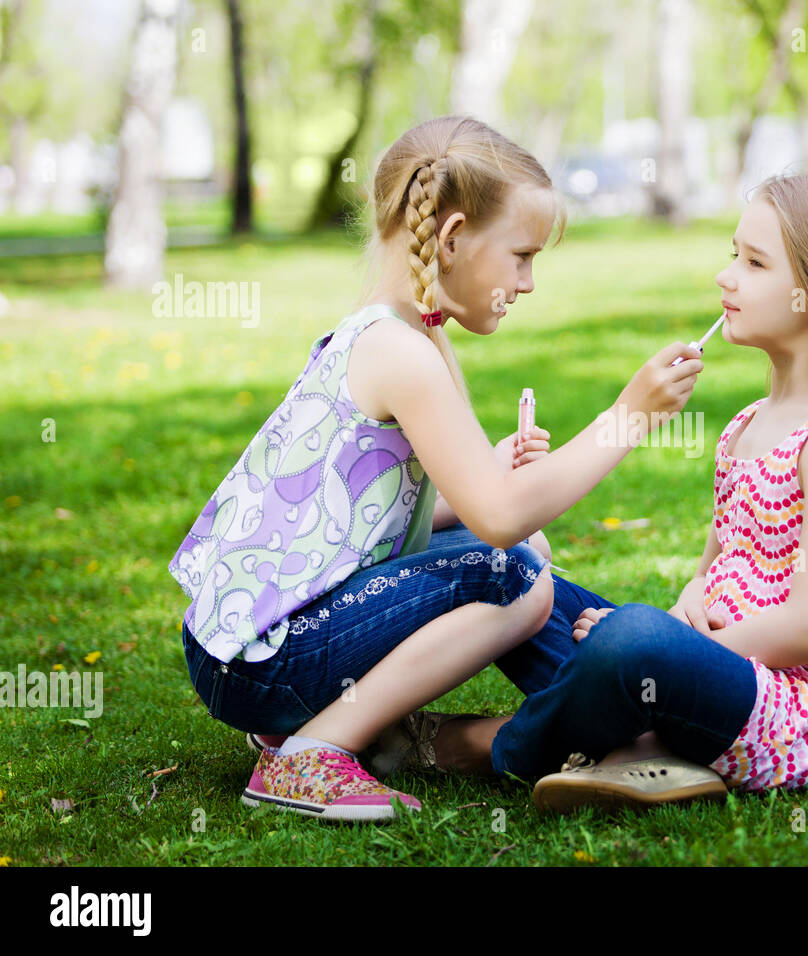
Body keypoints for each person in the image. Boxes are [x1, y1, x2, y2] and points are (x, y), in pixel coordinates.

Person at [169, 115, 703, 822]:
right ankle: (310, 754)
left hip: (246, 644)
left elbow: (411, 515)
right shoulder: (403, 354)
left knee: (523, 554)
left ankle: (299, 726)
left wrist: (490, 479)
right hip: (263, 659)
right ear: (452, 239)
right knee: (518, 576)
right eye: (521, 255)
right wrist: (630, 415)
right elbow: (501, 519)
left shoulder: (402, 332)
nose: (529, 280)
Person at [427, 170, 808, 812]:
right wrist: (674, 623)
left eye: (754, 263)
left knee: (633, 646)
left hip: (789, 708)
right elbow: (711, 577)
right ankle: (633, 741)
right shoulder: (746, 426)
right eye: (733, 255)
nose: (725, 277)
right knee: (512, 570)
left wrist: (667, 642)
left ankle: (491, 746)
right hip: (709, 668)